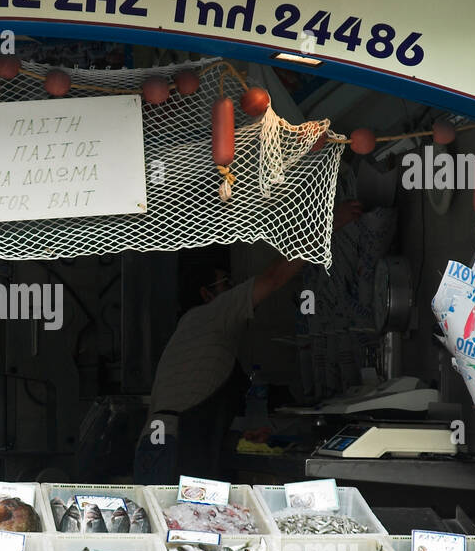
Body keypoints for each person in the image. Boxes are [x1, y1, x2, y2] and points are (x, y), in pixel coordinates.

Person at [134, 201, 363, 484]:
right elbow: (273, 278)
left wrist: (238, 436)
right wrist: (326, 228)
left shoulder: (197, 331)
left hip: (164, 443)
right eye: (225, 283)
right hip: (172, 446)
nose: (232, 288)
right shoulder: (213, 314)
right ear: (207, 293)